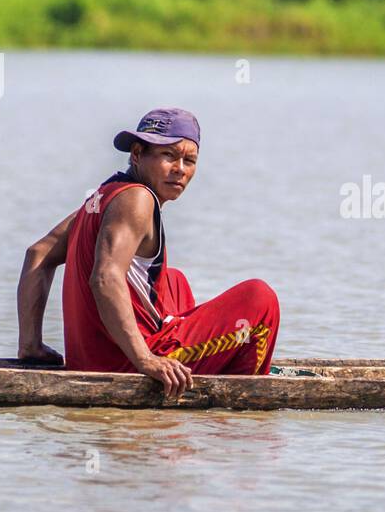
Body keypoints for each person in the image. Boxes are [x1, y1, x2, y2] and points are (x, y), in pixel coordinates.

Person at [16, 108, 280, 397]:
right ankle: (238, 403)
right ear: (137, 154)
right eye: (168, 155)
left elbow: (38, 254)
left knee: (173, 280)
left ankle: (189, 363)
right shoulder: (138, 199)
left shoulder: (103, 196)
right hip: (124, 364)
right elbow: (105, 278)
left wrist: (30, 345)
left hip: (95, 358)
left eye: (189, 160)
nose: (180, 168)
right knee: (260, 299)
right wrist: (145, 359)